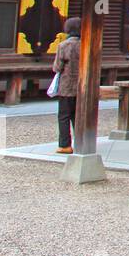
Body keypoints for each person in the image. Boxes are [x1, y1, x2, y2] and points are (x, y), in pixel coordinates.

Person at [52, 17, 81, 154]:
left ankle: (65, 145)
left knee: (64, 116)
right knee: (79, 116)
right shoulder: (86, 45)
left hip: (66, 86)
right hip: (81, 86)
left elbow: (57, 67)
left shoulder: (63, 46)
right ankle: (82, 143)